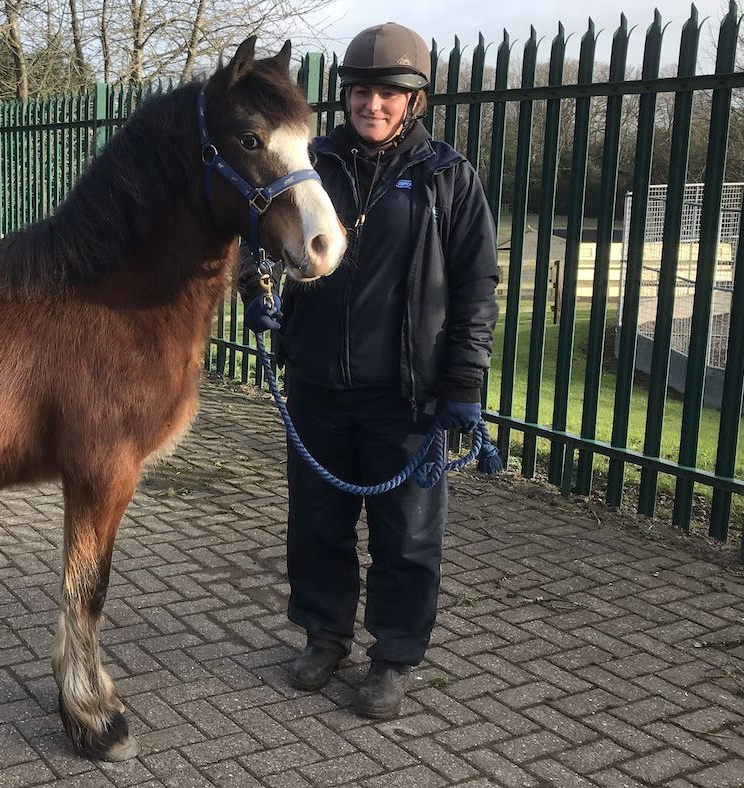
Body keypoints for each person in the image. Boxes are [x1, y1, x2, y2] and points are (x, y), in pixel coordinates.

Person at [239, 21, 499, 719]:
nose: (372, 104)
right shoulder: (312, 160)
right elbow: (258, 230)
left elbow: (477, 287)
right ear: (345, 96)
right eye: (361, 91)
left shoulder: (448, 178)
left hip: (406, 396)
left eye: (388, 93)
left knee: (406, 536)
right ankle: (325, 637)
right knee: (317, 525)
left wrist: (464, 387)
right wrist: (255, 287)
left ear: (412, 101)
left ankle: (393, 658)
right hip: (318, 382)